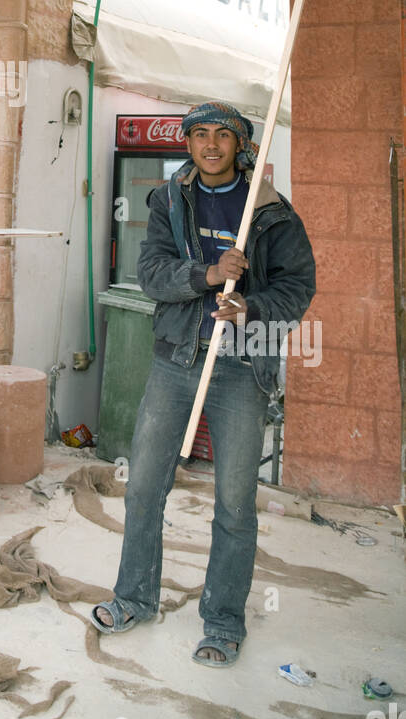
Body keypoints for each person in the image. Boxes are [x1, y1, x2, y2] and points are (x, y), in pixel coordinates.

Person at [90, 100, 315, 666]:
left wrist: (249, 308)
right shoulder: (168, 200)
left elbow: (297, 291)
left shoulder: (272, 213)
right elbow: (151, 275)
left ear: (241, 146)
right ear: (187, 143)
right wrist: (209, 275)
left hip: (242, 369)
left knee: (235, 503)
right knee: (143, 487)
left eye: (224, 135)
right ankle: (134, 598)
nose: (211, 145)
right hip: (174, 362)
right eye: (200, 135)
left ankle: (222, 621)